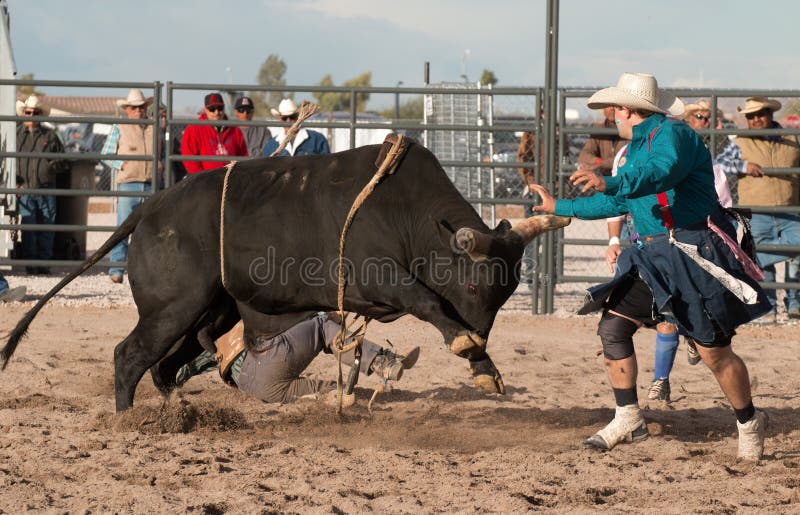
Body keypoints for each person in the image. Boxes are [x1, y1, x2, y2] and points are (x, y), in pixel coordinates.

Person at [530, 72, 772, 461]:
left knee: (714, 353)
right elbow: (621, 202)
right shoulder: (636, 150)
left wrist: (610, 182)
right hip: (652, 257)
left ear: (625, 109)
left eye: (613, 110)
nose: (611, 117)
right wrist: (560, 207)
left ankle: (748, 420)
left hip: (691, 253)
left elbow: (659, 174)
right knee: (613, 327)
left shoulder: (673, 137)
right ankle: (628, 417)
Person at [176, 313, 420, 405]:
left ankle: (373, 403)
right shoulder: (241, 306)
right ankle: (383, 363)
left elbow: (183, 370)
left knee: (334, 393)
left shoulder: (204, 336)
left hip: (255, 389)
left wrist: (172, 389)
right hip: (264, 359)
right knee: (323, 327)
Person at [716, 97, 800, 322]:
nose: (756, 120)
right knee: (759, 259)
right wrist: (744, 166)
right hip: (757, 210)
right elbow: (720, 163)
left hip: (790, 208)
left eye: (760, 114)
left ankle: (795, 303)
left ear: (770, 115)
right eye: (751, 116)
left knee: (796, 255)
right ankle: (769, 307)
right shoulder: (740, 141)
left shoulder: (792, 139)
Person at [100, 89, 159, 284]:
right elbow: (107, 155)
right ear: (128, 109)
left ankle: (148, 270)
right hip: (129, 183)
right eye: (134, 107)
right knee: (124, 228)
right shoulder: (120, 126)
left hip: (150, 183)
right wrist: (122, 164)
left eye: (142, 107)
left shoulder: (154, 127)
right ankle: (116, 269)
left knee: (151, 230)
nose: (139, 110)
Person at [15, 95, 68, 275]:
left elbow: (62, 160)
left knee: (46, 226)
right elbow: (8, 162)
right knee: (29, 227)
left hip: (46, 187)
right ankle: (31, 263)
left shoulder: (50, 135)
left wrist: (49, 166)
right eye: (28, 112)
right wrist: (15, 183)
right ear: (24, 113)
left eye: (35, 112)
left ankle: (43, 262)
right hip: (25, 189)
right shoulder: (15, 135)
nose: (31, 115)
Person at [181, 93, 247, 174]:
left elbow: (243, 156)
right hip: (205, 180)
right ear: (205, 110)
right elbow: (189, 160)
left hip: (231, 180)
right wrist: (203, 178)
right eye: (212, 109)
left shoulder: (235, 130)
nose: (216, 112)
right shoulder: (193, 129)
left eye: (220, 108)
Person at [683, 100, 733, 207]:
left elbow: (724, 156)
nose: (705, 121)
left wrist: (720, 134)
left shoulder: (713, 138)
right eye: (700, 117)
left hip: (713, 192)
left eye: (709, 117)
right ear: (690, 117)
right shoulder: (683, 135)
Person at [262, 99, 329, 157]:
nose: (288, 120)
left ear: (298, 117)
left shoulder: (317, 140)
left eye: (292, 117)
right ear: (280, 120)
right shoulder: (271, 145)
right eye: (285, 118)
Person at [577, 106, 627, 176]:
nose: (612, 108)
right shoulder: (599, 128)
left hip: (625, 178)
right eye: (608, 105)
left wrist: (601, 164)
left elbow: (627, 159)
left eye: (615, 105)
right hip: (605, 179)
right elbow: (584, 156)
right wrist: (599, 161)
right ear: (603, 109)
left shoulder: (630, 129)